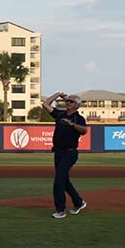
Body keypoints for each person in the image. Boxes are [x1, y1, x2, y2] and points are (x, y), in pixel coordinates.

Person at [42, 91, 88, 219]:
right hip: (58, 152)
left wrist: (72, 125)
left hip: (70, 153)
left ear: (77, 105)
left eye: (71, 101)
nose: (68, 103)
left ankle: (60, 210)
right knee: (64, 181)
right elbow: (45, 104)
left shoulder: (78, 118)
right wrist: (58, 94)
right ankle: (79, 202)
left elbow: (84, 130)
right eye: (67, 101)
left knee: (58, 180)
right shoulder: (60, 115)